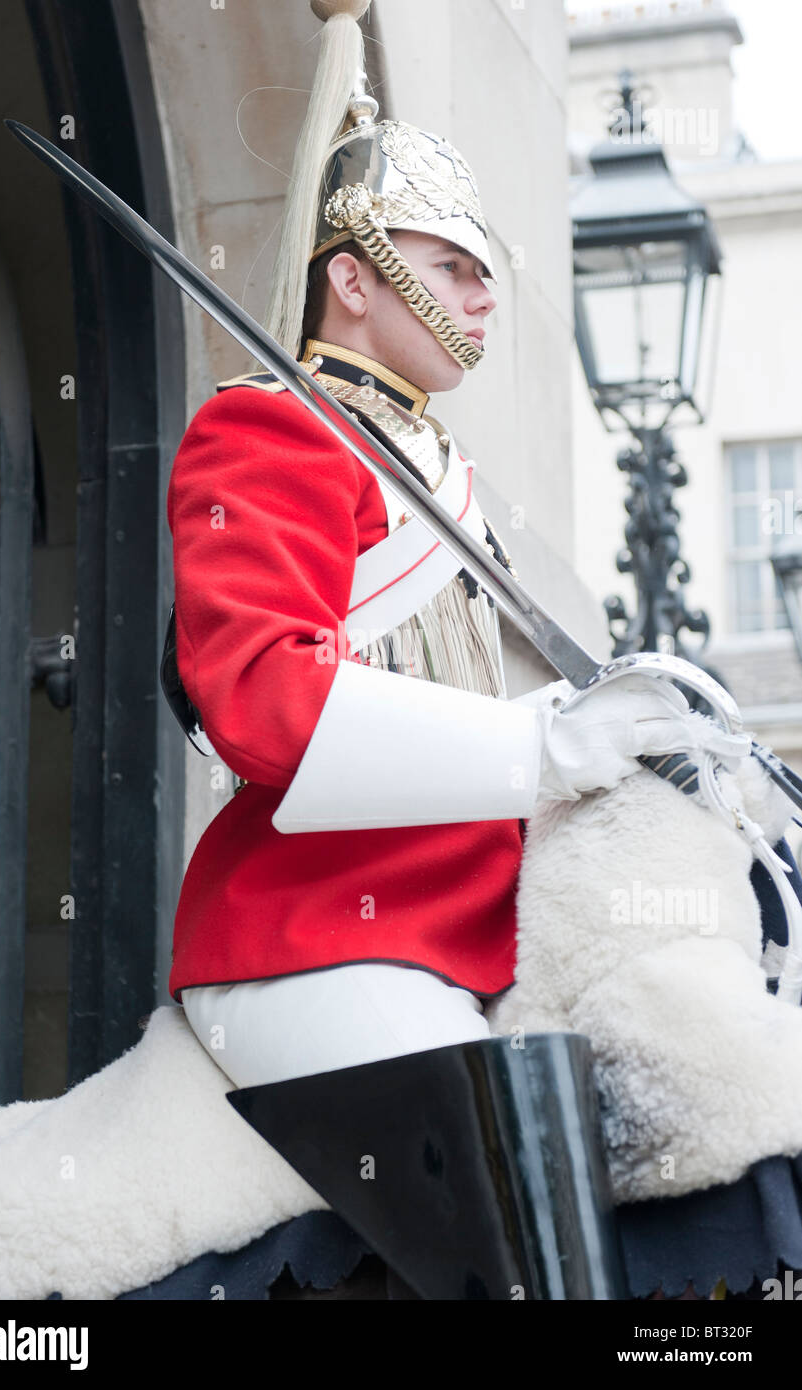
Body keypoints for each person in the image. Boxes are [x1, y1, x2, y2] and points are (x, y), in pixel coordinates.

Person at [163, 1, 800, 1298]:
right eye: (448, 264)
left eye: (483, 269)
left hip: (488, 919)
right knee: (532, 1248)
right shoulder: (271, 433)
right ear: (353, 276)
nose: (483, 293)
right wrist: (546, 741)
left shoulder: (440, 473)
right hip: (321, 930)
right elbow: (261, 701)